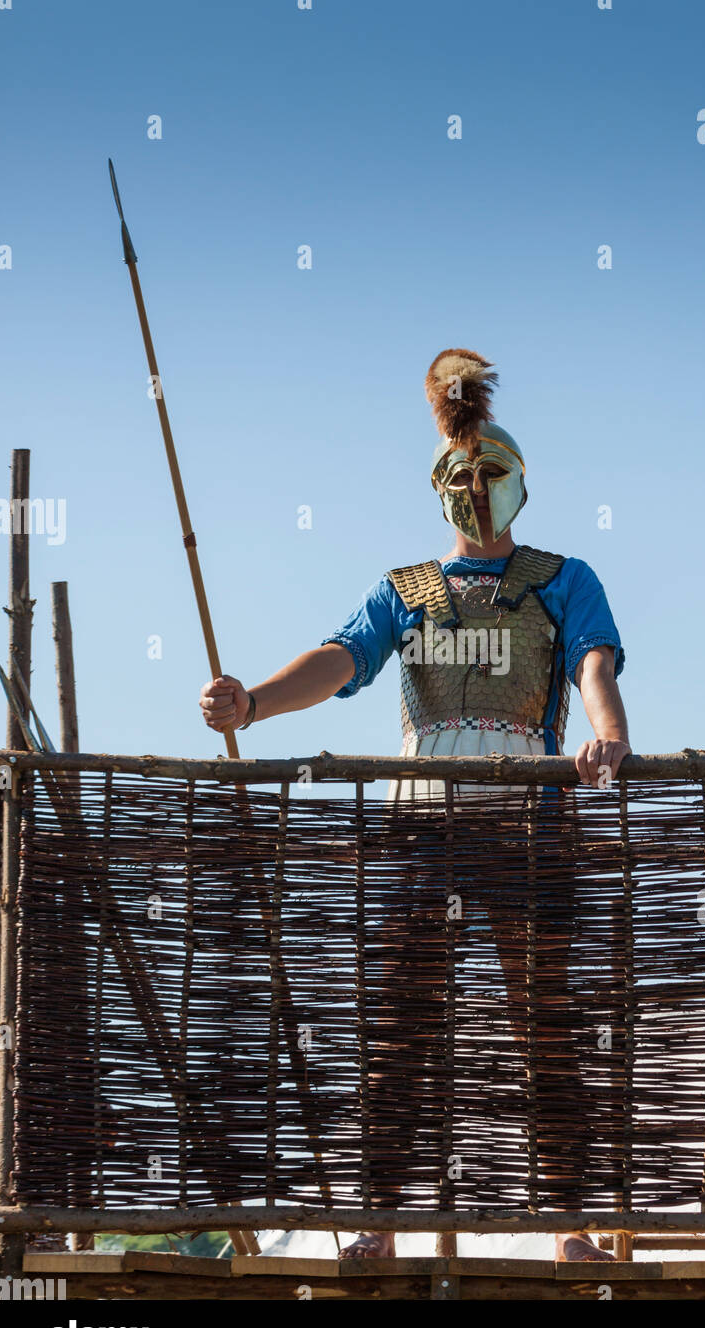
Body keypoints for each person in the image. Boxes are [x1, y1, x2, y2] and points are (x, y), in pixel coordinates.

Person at [200, 349, 631, 1261]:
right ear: (444, 488)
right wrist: (256, 701)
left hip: (527, 820)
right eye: (464, 477)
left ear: (519, 483)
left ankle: (570, 1226)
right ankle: (382, 1220)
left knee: (545, 1027)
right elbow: (342, 658)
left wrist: (606, 732)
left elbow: (593, 659)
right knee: (399, 1025)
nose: (478, 489)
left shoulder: (563, 579)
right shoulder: (406, 591)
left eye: (492, 476)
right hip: (422, 823)